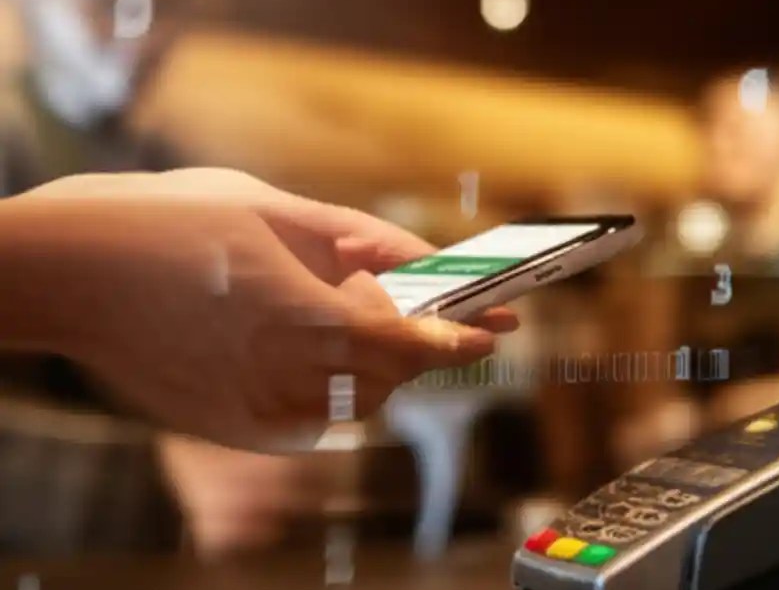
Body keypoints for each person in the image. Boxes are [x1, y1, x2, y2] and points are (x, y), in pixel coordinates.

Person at [0, 169, 517, 547]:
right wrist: (146, 479)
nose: (138, 33)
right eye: (95, 9)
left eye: (171, 12)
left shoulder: (154, 151)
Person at [613, 63, 779, 467]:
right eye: (711, 127)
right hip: (701, 463)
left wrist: (716, 412)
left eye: (739, 129)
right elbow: (650, 388)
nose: (719, 144)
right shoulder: (693, 243)